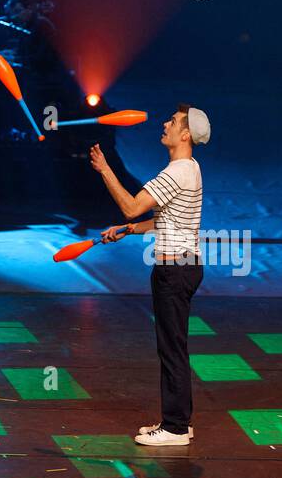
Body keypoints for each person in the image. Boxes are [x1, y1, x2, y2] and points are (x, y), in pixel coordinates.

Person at [89, 104, 211, 447]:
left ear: (184, 134)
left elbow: (130, 205)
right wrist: (129, 230)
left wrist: (104, 169)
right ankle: (178, 422)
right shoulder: (191, 169)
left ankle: (174, 428)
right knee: (174, 347)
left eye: (172, 121)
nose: (165, 123)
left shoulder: (176, 172)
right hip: (185, 267)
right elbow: (162, 220)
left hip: (174, 271)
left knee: (171, 349)